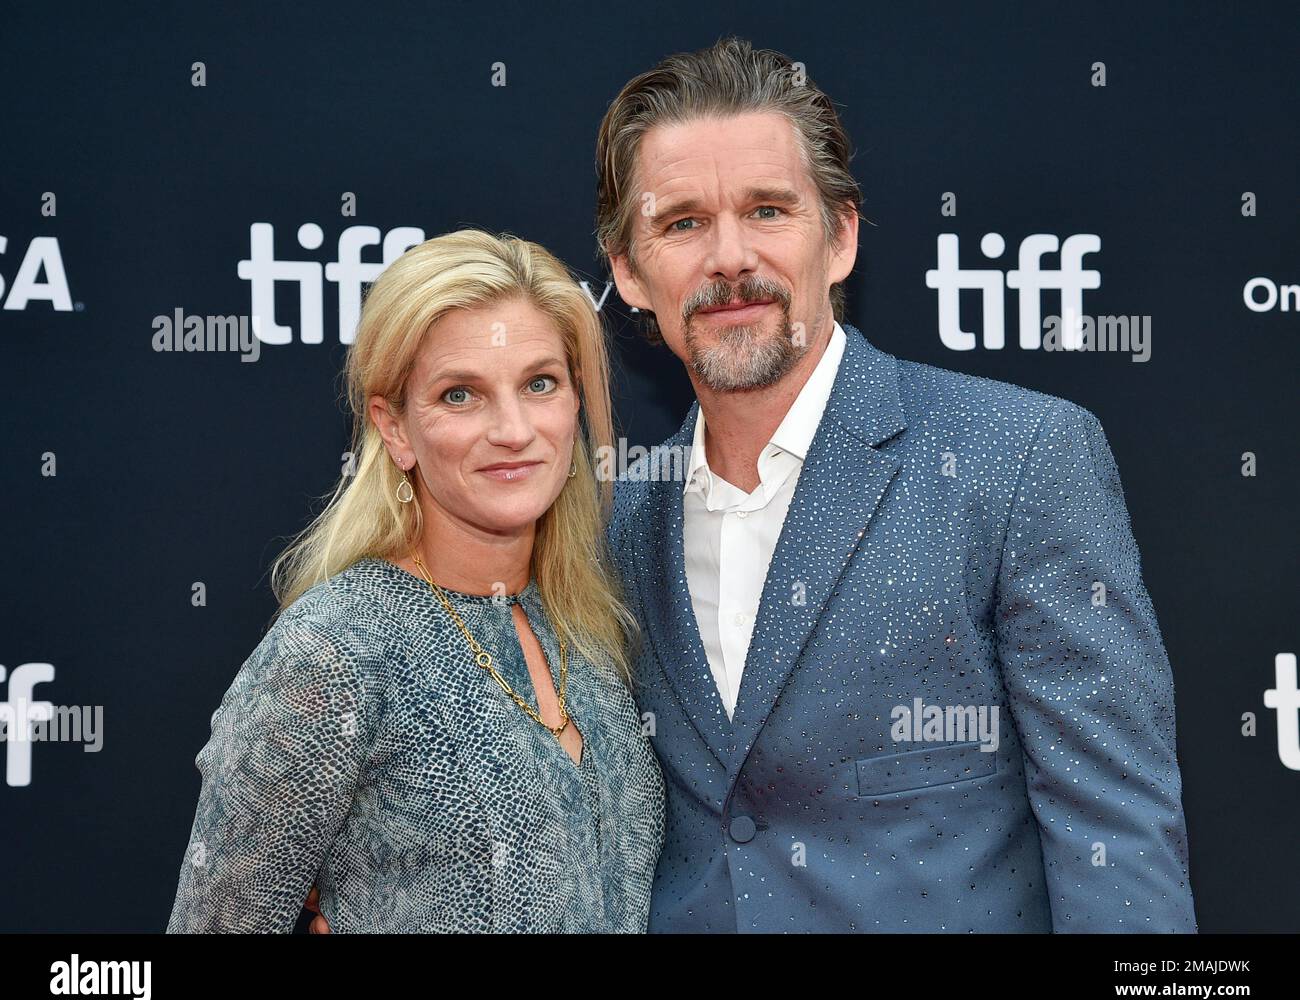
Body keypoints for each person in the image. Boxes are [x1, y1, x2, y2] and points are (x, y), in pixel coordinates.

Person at [590, 37, 1196, 932]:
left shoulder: (1020, 459)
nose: (728, 258)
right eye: (681, 223)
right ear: (628, 272)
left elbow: (1117, 838)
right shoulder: (612, 526)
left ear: (840, 237)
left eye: (767, 210)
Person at [167, 229, 664, 933]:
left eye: (540, 383)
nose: (514, 429)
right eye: (460, 395)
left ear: (575, 403)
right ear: (394, 428)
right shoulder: (336, 654)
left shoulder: (585, 628)